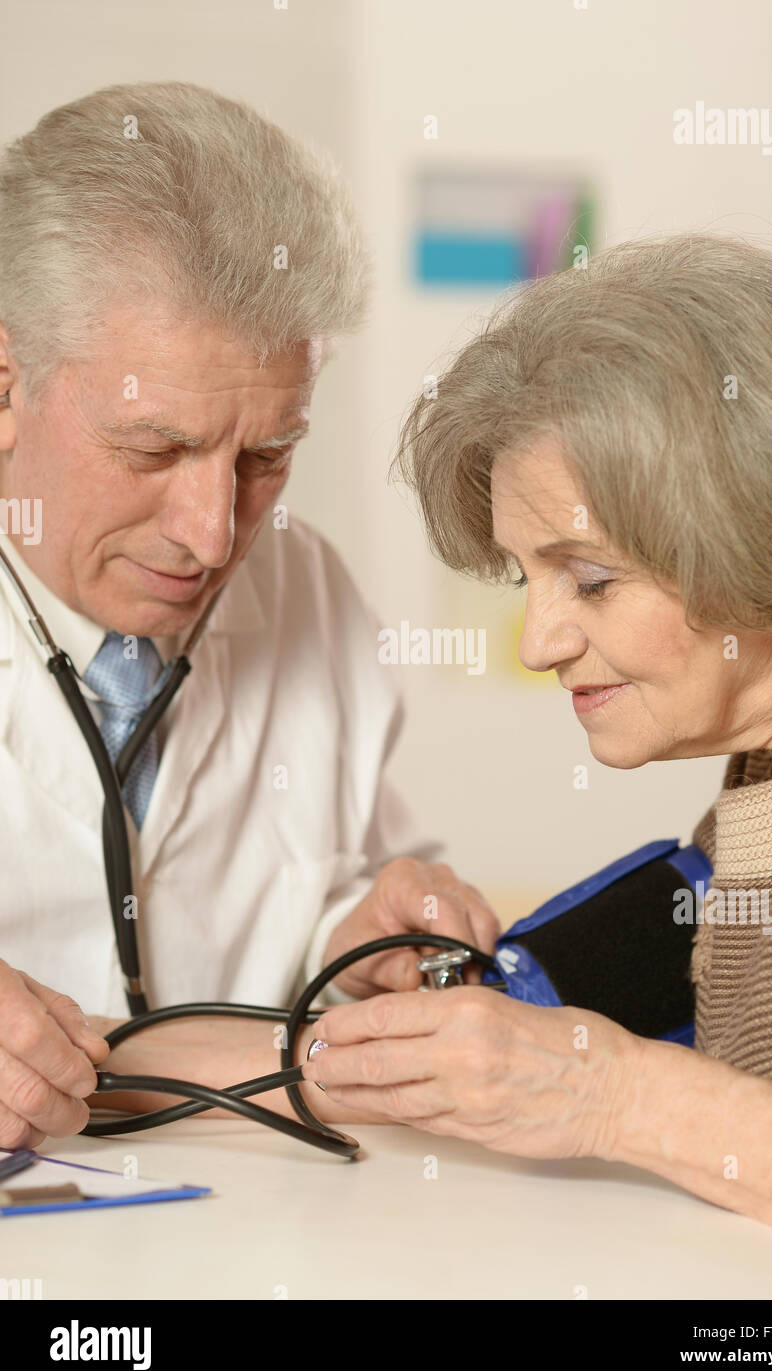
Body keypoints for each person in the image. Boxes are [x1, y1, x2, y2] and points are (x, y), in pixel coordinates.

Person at [298, 233, 772, 1249]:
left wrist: (611, 1095)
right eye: (529, 579)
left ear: (769, 525)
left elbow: (610, 1078)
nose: (538, 641)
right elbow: (578, 1002)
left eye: (591, 579)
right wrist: (390, 989)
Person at [0, 80, 499, 1153]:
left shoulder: (304, 588)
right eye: (154, 449)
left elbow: (322, 878)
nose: (215, 533)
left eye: (268, 454)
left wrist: (355, 939)